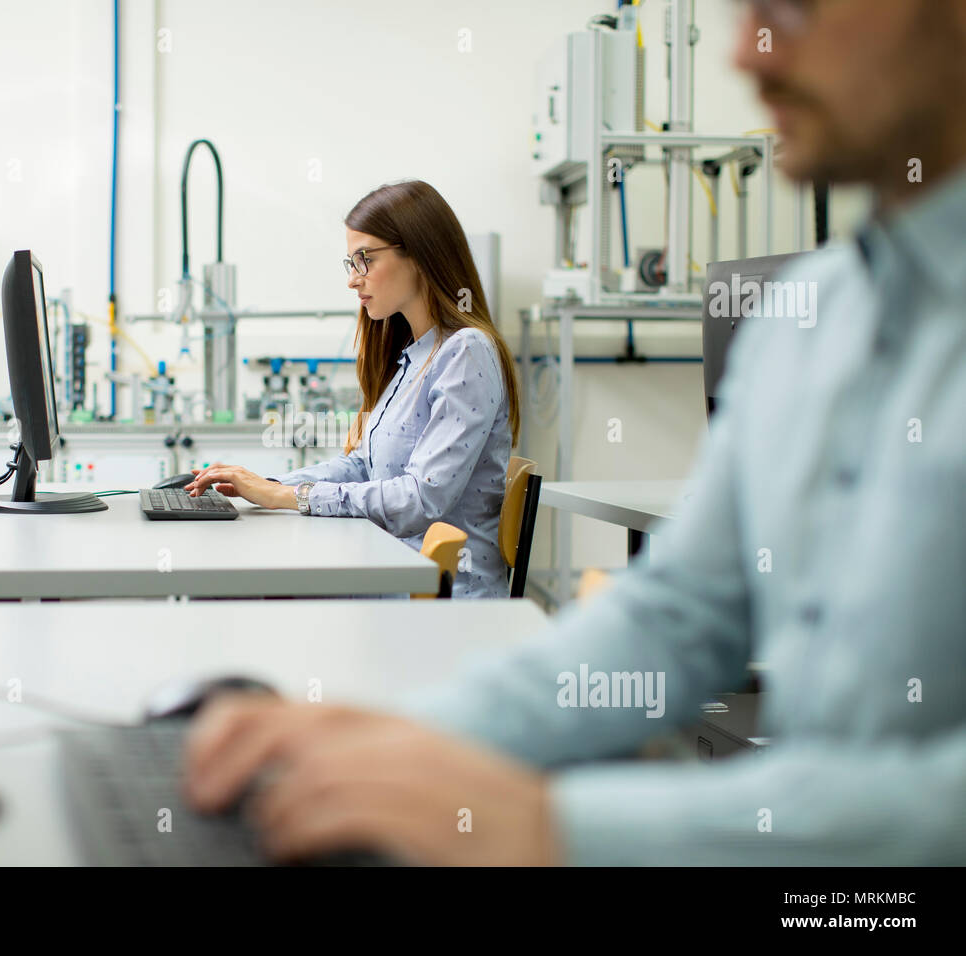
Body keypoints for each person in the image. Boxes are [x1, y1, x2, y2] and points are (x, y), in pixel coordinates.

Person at [179, 0, 966, 865]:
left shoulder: (469, 352)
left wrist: (561, 829)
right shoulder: (804, 324)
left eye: (793, 8)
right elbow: (675, 622)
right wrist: (407, 739)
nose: (749, 51)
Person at [184, 180, 521, 598]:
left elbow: (420, 499)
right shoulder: (411, 358)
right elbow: (363, 466)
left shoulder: (466, 352)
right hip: (394, 576)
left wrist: (290, 496)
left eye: (365, 259)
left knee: (241, 595)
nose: (353, 279)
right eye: (351, 263)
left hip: (442, 598)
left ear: (419, 254)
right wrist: (262, 485)